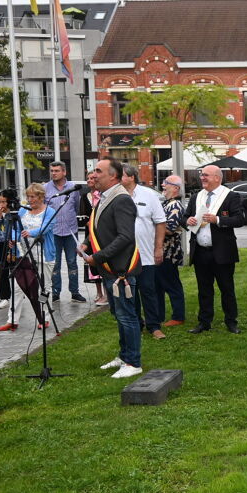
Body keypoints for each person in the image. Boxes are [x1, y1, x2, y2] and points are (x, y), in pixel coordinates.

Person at [83, 159, 143, 378]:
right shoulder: (106, 197)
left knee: (127, 316)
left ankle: (133, 362)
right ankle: (125, 355)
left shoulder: (121, 200)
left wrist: (97, 257)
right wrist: (86, 245)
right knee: (120, 315)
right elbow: (102, 229)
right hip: (110, 269)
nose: (94, 174)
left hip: (121, 269)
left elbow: (125, 237)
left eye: (99, 171)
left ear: (114, 176)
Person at [185, 164, 245, 334]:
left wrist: (217, 220)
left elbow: (239, 219)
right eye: (201, 175)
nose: (202, 178)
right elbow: (184, 217)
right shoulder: (197, 196)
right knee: (204, 289)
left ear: (217, 178)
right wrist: (187, 221)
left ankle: (231, 322)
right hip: (200, 252)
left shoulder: (230, 196)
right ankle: (204, 322)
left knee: (227, 288)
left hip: (222, 251)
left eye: (206, 175)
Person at [0, 184, 57, 332]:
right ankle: (12, 320)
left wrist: (30, 233)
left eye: (33, 197)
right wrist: (13, 238)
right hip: (24, 254)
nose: (30, 200)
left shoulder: (50, 211)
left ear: (41, 197)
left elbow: (46, 228)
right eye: (28, 197)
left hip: (44, 254)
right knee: (17, 287)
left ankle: (44, 317)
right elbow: (15, 229)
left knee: (44, 288)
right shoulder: (23, 211)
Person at [121, 165, 168, 340]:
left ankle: (154, 326)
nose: (118, 178)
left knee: (148, 290)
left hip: (145, 254)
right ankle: (136, 325)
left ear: (132, 177)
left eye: (122, 175)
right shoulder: (116, 195)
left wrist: (158, 247)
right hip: (124, 256)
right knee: (129, 292)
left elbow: (160, 222)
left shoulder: (148, 195)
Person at [43, 161, 86, 303]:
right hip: (53, 232)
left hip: (70, 231)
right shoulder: (45, 188)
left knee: (72, 262)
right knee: (55, 264)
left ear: (64, 172)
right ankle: (55, 292)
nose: (53, 173)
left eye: (56, 170)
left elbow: (76, 206)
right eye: (52, 170)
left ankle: (75, 292)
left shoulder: (73, 188)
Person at [156, 175, 187, 327]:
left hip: (169, 253)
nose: (163, 185)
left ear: (175, 188)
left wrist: (152, 225)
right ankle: (158, 315)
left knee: (172, 285)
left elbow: (169, 229)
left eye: (166, 183)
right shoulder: (166, 204)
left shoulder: (175, 206)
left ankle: (178, 316)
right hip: (161, 251)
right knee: (158, 285)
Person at [0, 190, 19, 311]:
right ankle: (5, 296)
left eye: (4, 202)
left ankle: (19, 295)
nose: (1, 205)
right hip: (0, 245)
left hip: (13, 245)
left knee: (16, 270)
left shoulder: (14, 215)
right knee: (3, 271)